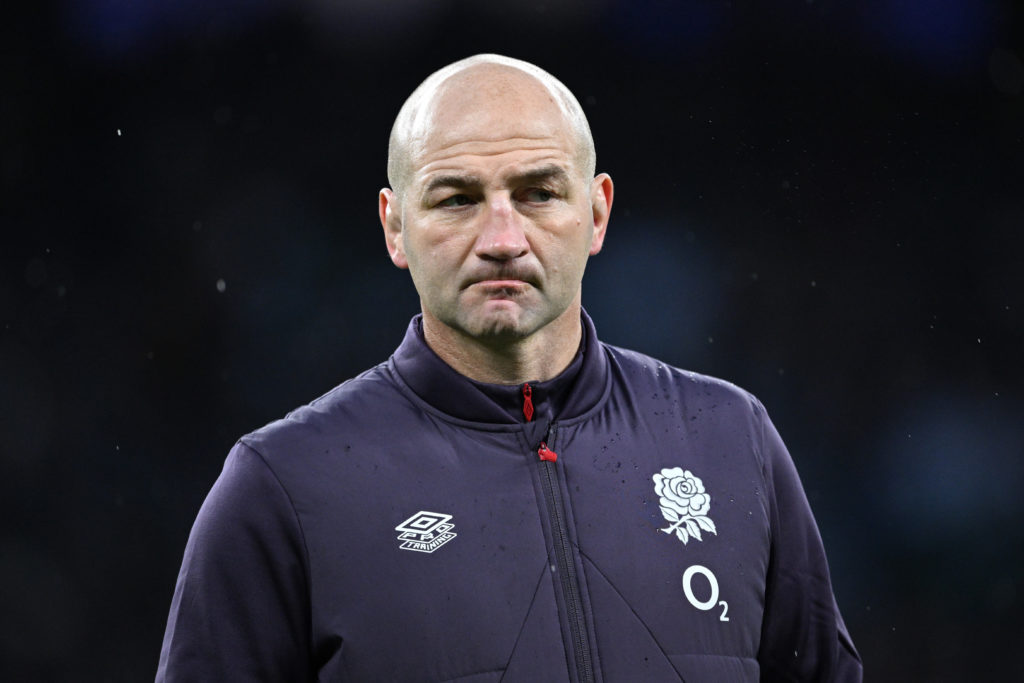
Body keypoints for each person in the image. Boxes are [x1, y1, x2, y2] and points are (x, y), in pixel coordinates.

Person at [156, 54, 862, 682]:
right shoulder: (283, 486)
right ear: (395, 226)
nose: (501, 238)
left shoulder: (729, 438)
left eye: (538, 193)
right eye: (457, 199)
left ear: (596, 212)